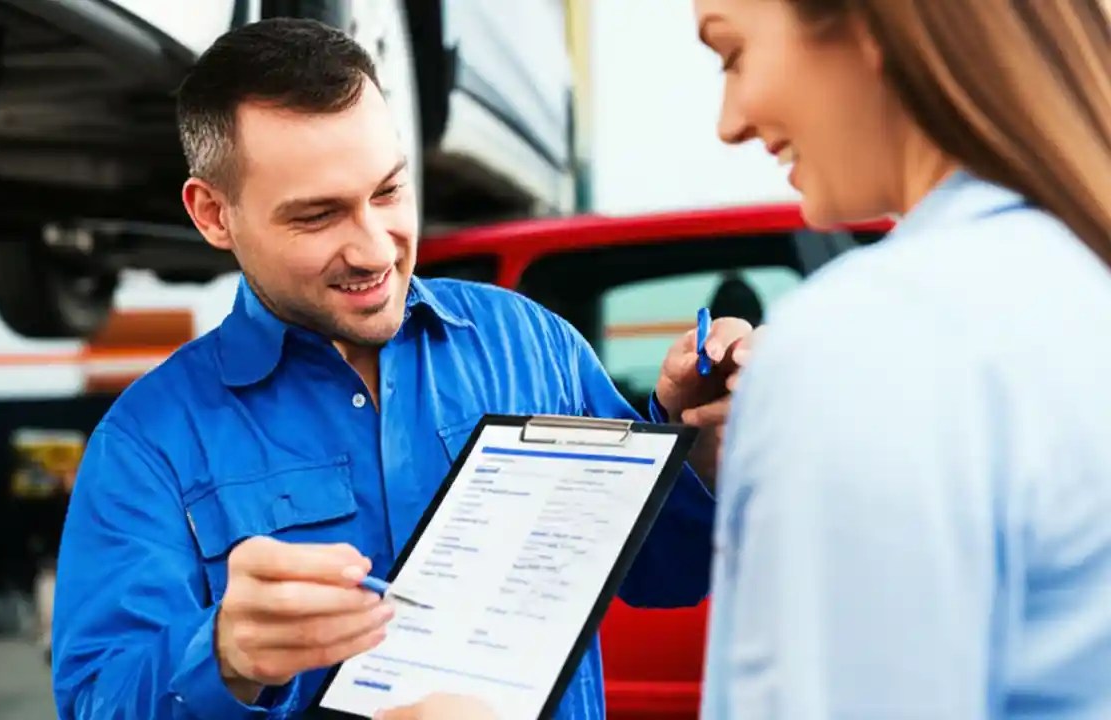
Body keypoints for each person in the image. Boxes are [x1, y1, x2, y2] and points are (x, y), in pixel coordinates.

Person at [379, 0, 1111, 717]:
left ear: (864, 26)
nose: (729, 123)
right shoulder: (1071, 281)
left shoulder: (866, 338)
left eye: (732, 54)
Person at [49, 18, 754, 720]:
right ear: (213, 214)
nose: (375, 250)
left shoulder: (531, 345)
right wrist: (225, 655)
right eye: (318, 216)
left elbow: (664, 573)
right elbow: (96, 700)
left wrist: (696, 445)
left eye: (387, 192)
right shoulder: (148, 446)